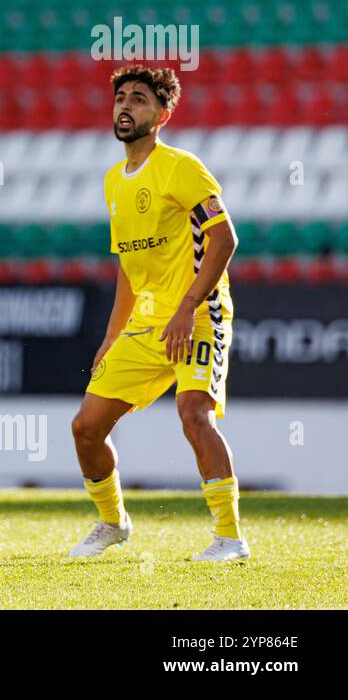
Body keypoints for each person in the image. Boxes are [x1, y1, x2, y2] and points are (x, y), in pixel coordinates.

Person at [69, 65, 246, 562]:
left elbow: (225, 238)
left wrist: (189, 306)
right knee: (86, 428)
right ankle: (112, 523)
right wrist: (112, 335)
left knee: (194, 414)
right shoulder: (112, 182)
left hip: (199, 314)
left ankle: (230, 538)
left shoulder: (181, 167)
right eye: (121, 97)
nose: (126, 106)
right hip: (146, 324)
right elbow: (129, 267)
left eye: (140, 99)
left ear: (163, 113)